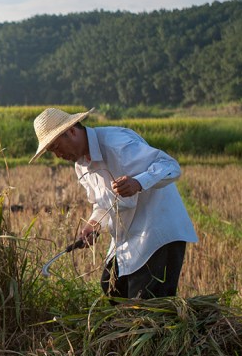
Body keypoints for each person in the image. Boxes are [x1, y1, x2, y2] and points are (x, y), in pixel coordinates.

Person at [30, 107, 197, 300]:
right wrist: (94, 223)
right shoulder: (82, 166)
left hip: (156, 234)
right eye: (52, 151)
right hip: (129, 237)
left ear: (72, 131)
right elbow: (103, 203)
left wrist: (138, 183)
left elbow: (169, 165)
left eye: (56, 147)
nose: (58, 155)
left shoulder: (117, 145)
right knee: (111, 289)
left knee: (146, 306)